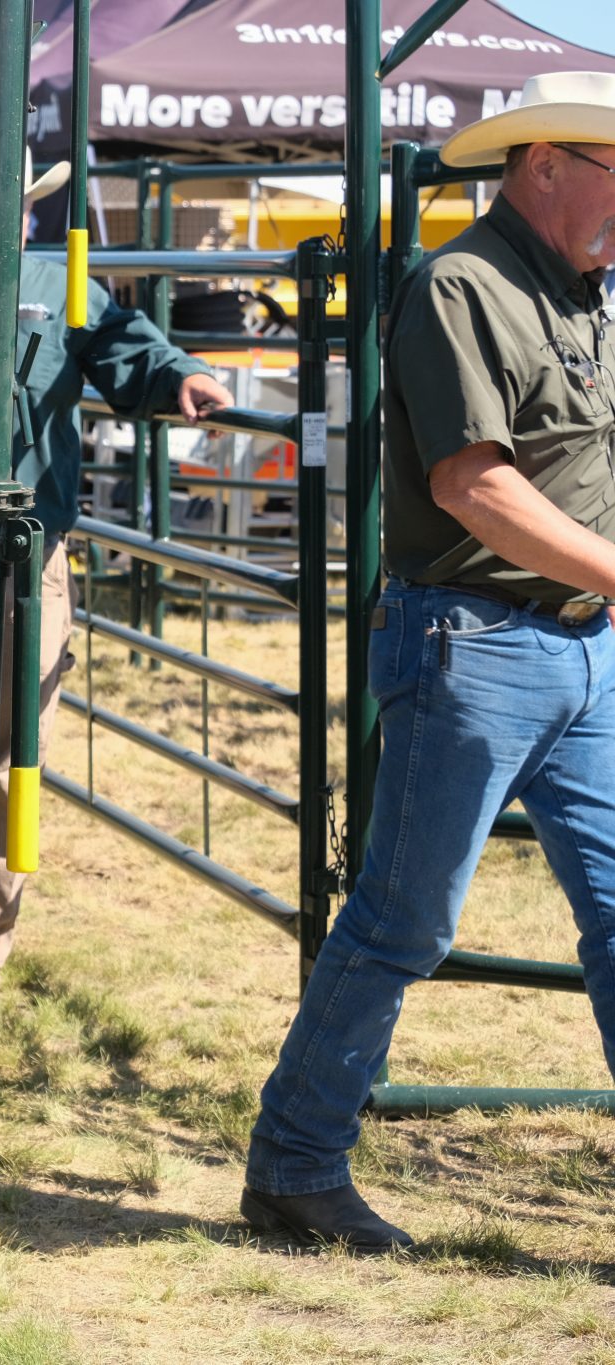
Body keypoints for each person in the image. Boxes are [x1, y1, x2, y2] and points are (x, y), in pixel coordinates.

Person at [243, 71, 615, 1253]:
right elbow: (474, 484)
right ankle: (293, 1168)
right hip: (477, 639)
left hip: (570, 640)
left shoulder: (585, 296)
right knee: (403, 919)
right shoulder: (460, 287)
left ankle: (296, 1165)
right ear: (542, 166)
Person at [0, 155, 234, 997]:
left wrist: (182, 375)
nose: (13, 217)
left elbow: (125, 341)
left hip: (21, 557)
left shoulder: (60, 279)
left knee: (9, 762)